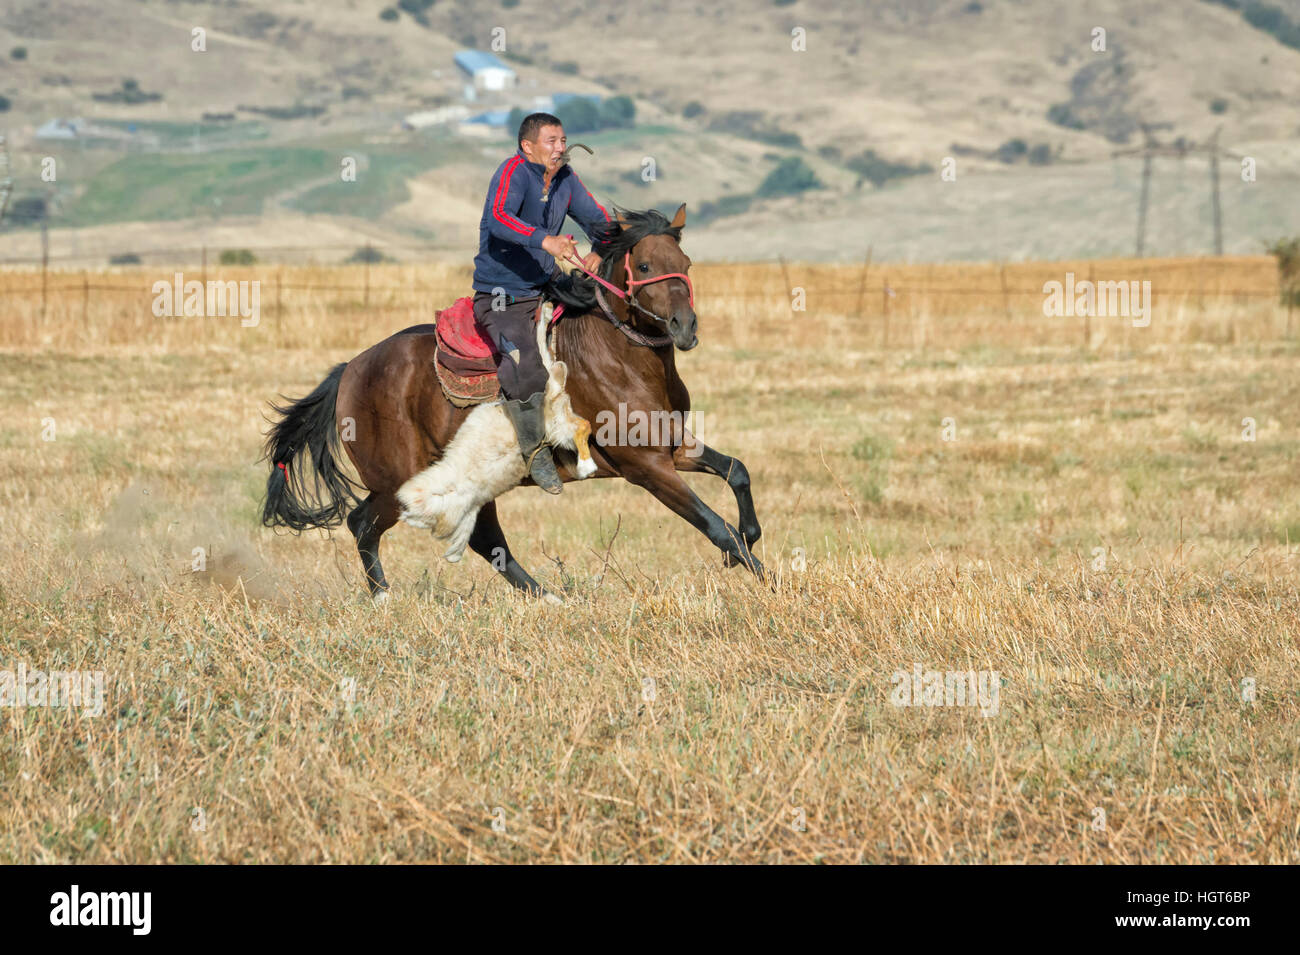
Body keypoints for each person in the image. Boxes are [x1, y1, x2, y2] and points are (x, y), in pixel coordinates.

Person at [471, 111, 610, 494]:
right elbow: (499, 218)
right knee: (524, 363)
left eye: (564, 141)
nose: (561, 148)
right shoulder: (512, 172)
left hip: (547, 283)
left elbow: (599, 222)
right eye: (552, 141)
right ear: (527, 146)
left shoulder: (565, 179)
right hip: (502, 293)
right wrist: (547, 241)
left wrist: (601, 248)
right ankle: (534, 455)